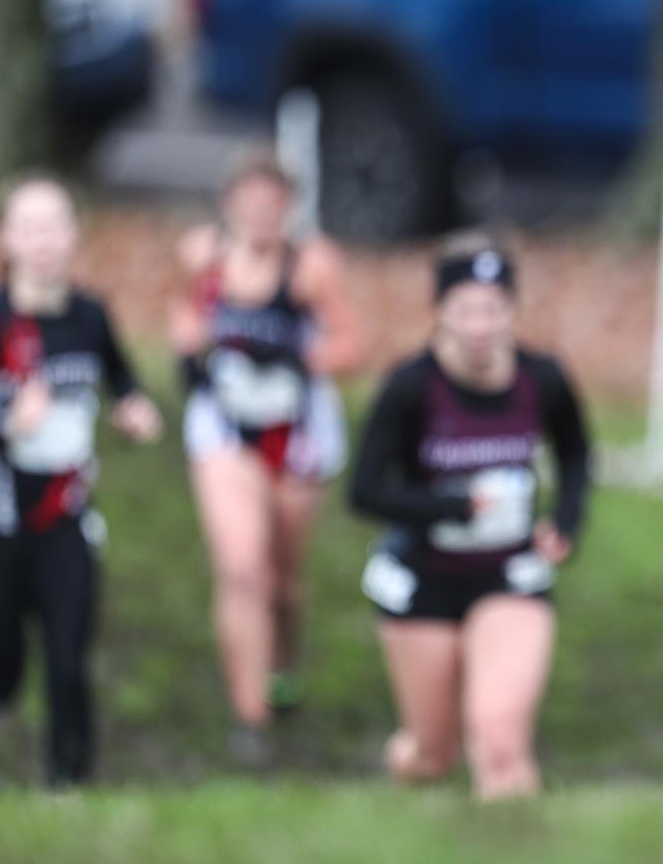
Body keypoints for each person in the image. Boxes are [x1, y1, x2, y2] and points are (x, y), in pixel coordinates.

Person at [0, 176, 163, 786]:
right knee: (5, 673)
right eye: (28, 227)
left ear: (76, 233)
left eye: (55, 224)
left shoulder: (90, 315)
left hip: (63, 516)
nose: (44, 240)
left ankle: (66, 797)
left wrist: (133, 408)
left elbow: (121, 378)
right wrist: (3, 421)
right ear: (4, 239)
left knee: (68, 665)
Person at [350, 235, 591, 799]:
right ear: (439, 312)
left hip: (508, 574)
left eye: (492, 308)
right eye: (464, 310)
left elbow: (577, 455)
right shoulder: (410, 386)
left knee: (500, 741)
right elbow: (364, 493)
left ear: (511, 309)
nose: (480, 325)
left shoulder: (544, 378)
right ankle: (406, 768)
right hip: (424, 578)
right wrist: (451, 507)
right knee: (433, 754)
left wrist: (566, 522)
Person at [170, 156, 364, 763]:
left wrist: (295, 359)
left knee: (281, 580)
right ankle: (248, 716)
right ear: (228, 202)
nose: (259, 214)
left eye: (272, 202)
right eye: (248, 201)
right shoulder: (202, 254)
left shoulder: (311, 265)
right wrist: (190, 350)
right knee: (241, 568)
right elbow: (182, 311)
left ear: (288, 207)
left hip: (294, 430)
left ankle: (282, 661)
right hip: (225, 428)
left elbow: (353, 344)